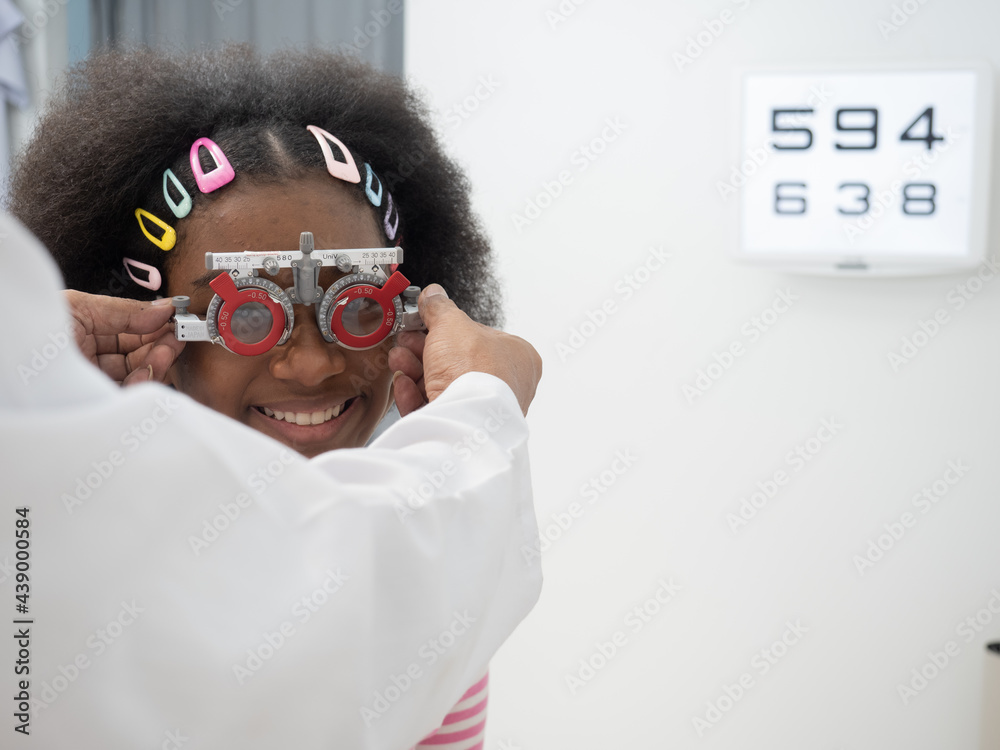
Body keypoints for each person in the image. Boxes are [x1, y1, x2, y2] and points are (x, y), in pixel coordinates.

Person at [1, 44, 542, 749]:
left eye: (359, 311)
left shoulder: (437, 575)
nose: (312, 366)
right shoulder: (72, 556)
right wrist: (486, 404)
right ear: (151, 318)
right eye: (250, 318)